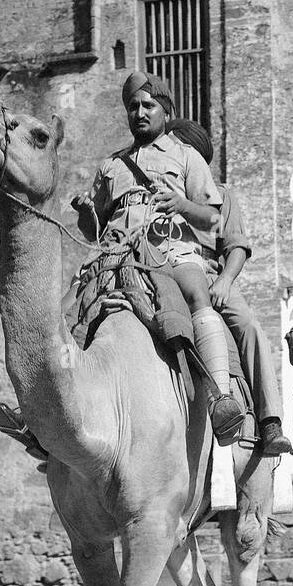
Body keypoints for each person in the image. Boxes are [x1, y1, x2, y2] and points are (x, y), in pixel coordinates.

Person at [72, 71, 244, 444]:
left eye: (148, 105)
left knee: (198, 296)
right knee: (71, 306)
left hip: (171, 250)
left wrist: (182, 204)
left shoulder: (186, 157)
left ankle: (220, 398)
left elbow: (213, 218)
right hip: (117, 254)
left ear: (165, 112)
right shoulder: (111, 166)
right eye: (133, 106)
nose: (139, 112)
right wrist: (88, 213)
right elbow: (94, 230)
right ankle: (47, 413)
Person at [167, 117, 292, 457]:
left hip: (208, 274)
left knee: (250, 327)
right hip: (164, 269)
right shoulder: (158, 191)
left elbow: (235, 246)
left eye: (178, 147)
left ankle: (269, 422)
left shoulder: (221, 195)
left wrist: (224, 280)